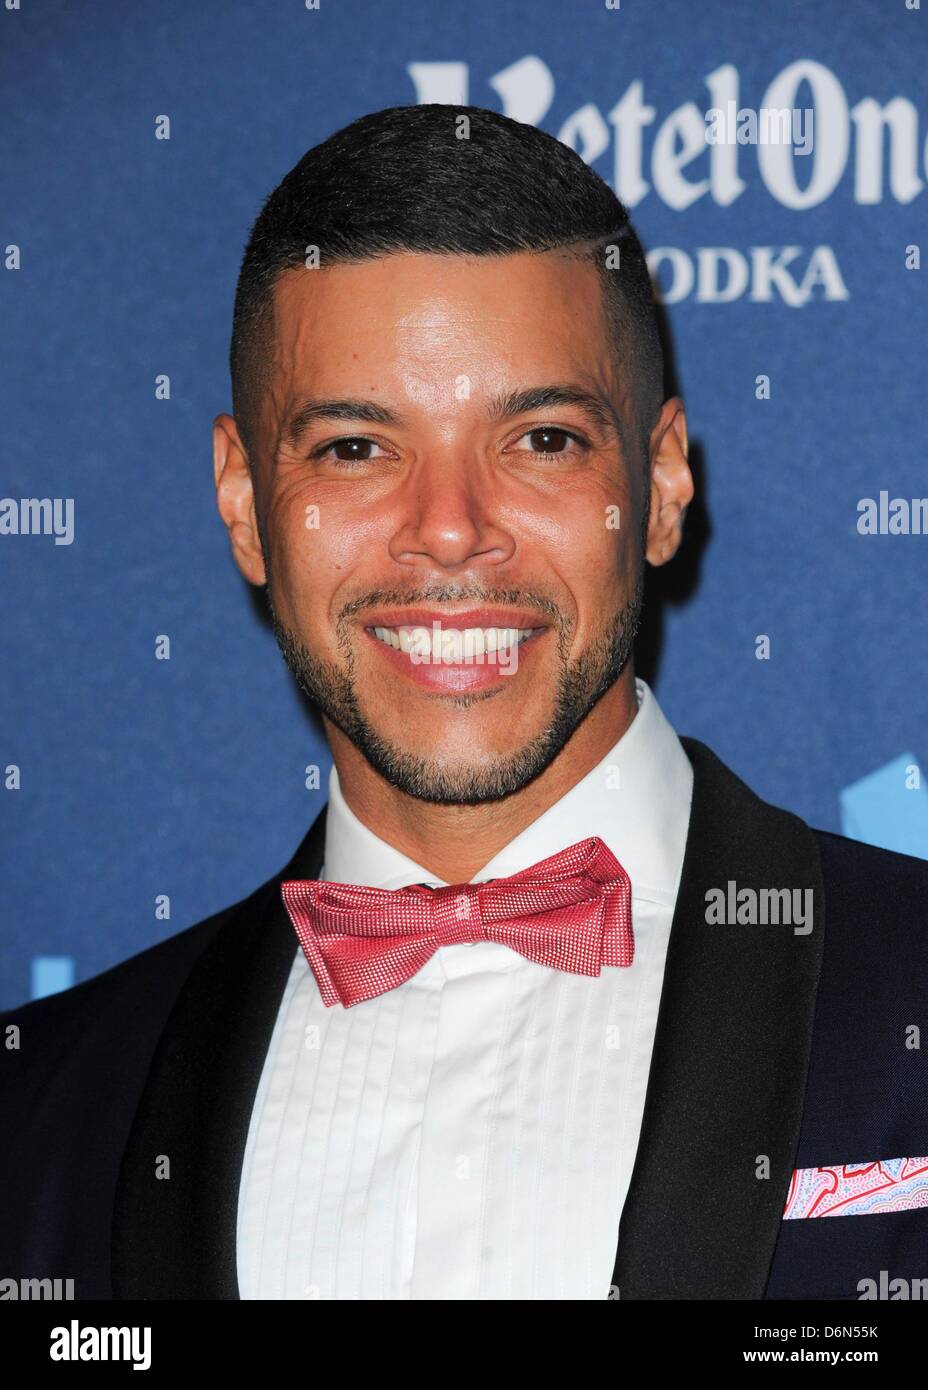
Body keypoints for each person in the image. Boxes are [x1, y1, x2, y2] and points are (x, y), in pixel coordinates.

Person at [2, 104, 926, 1303]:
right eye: (353, 448)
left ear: (658, 485)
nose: (448, 530)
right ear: (242, 501)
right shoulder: (43, 1110)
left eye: (540, 439)